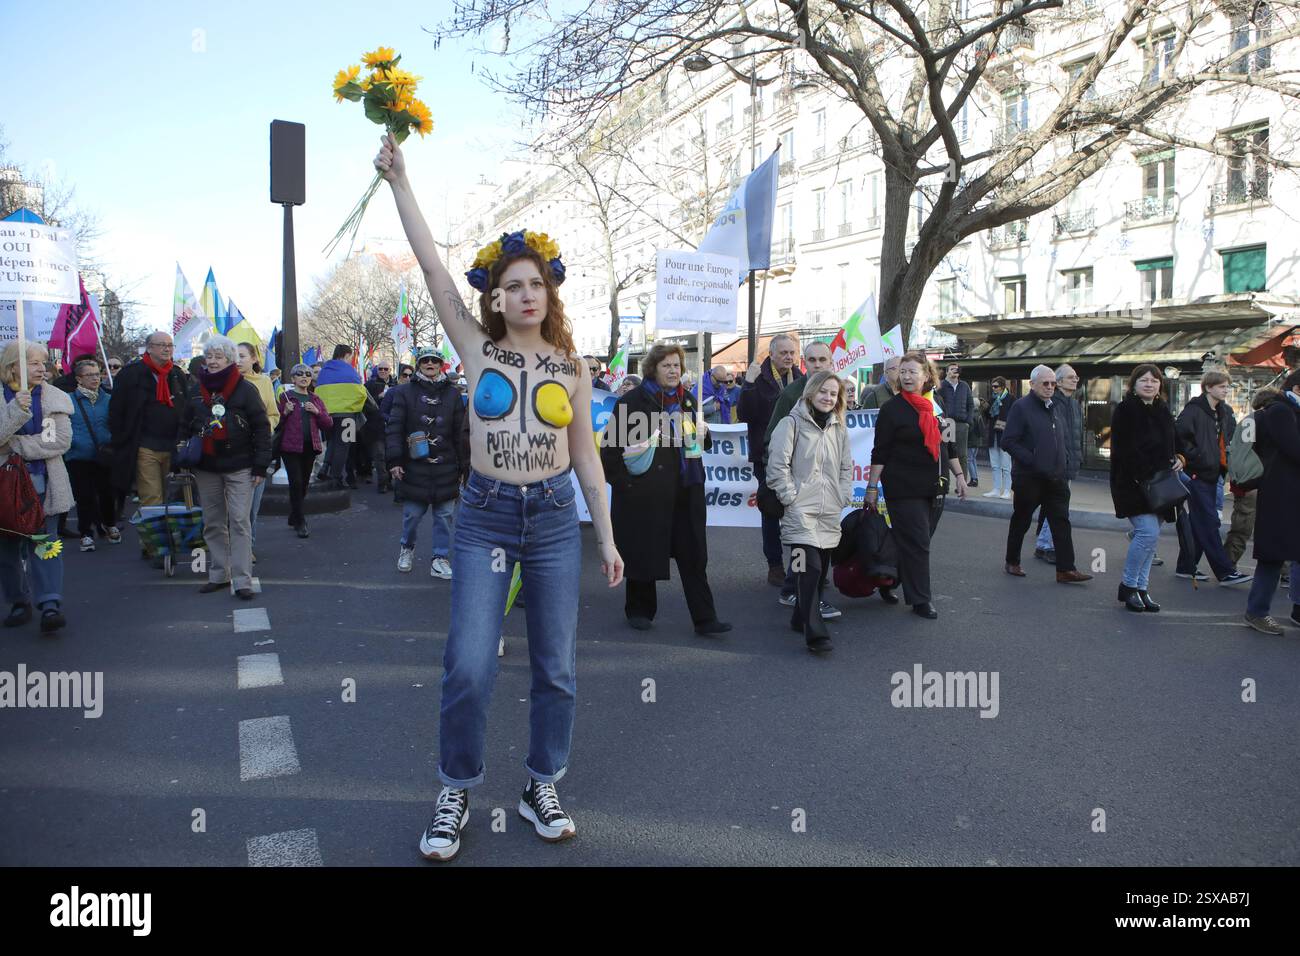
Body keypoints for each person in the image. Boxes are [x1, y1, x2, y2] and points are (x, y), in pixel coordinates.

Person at [378, 131, 623, 862]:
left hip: (550, 522)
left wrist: (606, 538)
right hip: (483, 517)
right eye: (511, 284)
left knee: (556, 665)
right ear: (496, 296)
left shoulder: (573, 368)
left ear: (549, 293)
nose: (524, 293)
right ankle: (456, 787)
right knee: (471, 664)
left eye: (535, 284)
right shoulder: (475, 347)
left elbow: (587, 460)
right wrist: (400, 183)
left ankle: (540, 783)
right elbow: (430, 267)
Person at [601, 342, 731, 636]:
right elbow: (609, 452)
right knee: (643, 551)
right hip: (645, 496)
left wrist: (704, 433)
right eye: (666, 365)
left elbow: (697, 443)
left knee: (695, 554)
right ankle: (639, 610)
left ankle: (705, 618)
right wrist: (628, 485)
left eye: (677, 365)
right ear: (652, 369)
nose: (673, 370)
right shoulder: (632, 402)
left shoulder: (687, 401)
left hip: (688, 489)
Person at [867, 352, 967, 619]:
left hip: (936, 485)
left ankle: (887, 578)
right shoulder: (892, 409)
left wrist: (959, 475)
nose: (907, 376)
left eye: (913, 372)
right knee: (918, 542)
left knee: (912, 542)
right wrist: (872, 488)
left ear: (926, 376)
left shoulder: (938, 405)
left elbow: (949, 444)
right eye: (903, 372)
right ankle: (921, 600)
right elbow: (880, 452)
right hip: (903, 487)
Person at [766, 371, 853, 651]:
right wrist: (792, 498)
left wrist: (842, 495)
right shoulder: (790, 424)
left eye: (833, 393)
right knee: (808, 568)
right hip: (799, 512)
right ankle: (815, 632)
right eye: (823, 392)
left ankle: (798, 616)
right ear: (811, 393)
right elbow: (777, 467)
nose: (828, 398)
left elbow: (846, 467)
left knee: (819, 570)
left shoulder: (839, 427)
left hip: (828, 512)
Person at [180, 336, 271, 600]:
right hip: (206, 466)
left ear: (229, 360)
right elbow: (185, 425)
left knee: (240, 522)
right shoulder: (196, 391)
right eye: (209, 356)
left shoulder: (245, 390)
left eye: (219, 357)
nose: (213, 361)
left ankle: (243, 580)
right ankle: (220, 574)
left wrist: (260, 466)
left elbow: (261, 428)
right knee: (213, 522)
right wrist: (182, 452)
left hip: (239, 465)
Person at [764, 340, 840, 619]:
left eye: (823, 360)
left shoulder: (836, 392)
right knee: (802, 545)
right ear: (803, 363)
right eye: (812, 360)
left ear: (831, 363)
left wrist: (841, 488)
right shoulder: (791, 394)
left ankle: (794, 588)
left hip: (826, 489)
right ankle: (799, 594)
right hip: (798, 487)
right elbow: (773, 439)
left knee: (819, 545)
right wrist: (785, 490)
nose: (817, 365)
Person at [0, 341, 72, 633]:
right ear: (12, 366)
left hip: (42, 481)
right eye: (33, 363)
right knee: (6, 546)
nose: (42, 368)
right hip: (4, 483)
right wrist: (17, 410)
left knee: (45, 543)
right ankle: (19, 600)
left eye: (43, 362)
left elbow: (58, 442)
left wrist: (15, 444)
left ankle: (50, 602)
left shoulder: (55, 398)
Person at [1001, 365, 1092, 584]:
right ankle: (1012, 561)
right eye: (1046, 383)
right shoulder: (1021, 407)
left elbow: (1061, 438)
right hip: (1029, 478)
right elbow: (1008, 441)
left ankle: (1066, 569)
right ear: (1032, 384)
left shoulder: (1055, 407)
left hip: (1056, 478)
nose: (1050, 387)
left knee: (1061, 522)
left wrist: (1065, 462)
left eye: (1053, 383)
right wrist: (1033, 460)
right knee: (1021, 521)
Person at [387, 348, 466, 579]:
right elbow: (394, 428)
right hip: (414, 465)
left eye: (434, 360)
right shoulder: (403, 392)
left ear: (441, 364)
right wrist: (394, 460)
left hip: (446, 465)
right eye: (425, 360)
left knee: (444, 517)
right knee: (412, 515)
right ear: (419, 364)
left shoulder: (453, 395)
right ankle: (407, 549)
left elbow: (460, 434)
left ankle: (439, 559)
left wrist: (464, 467)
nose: (430, 363)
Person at [1108, 365, 1181, 613]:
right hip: (1133, 483)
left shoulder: (1163, 410)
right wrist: (1147, 473)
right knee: (1147, 533)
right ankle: (1128, 586)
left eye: (1154, 380)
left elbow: (1175, 441)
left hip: (1161, 485)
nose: (1149, 384)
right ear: (1134, 384)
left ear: (1160, 385)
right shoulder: (1125, 409)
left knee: (1152, 538)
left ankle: (1142, 588)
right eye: (1144, 380)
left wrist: (1181, 457)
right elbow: (1125, 450)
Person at [1173, 371, 1251, 586]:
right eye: (1221, 386)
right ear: (1208, 387)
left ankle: (1186, 566)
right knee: (1208, 521)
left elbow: (1232, 438)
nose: (1226, 390)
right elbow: (1179, 436)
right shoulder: (1194, 410)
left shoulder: (1225, 411)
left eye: (1227, 386)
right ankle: (1225, 571)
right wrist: (1196, 457)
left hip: (1216, 473)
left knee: (1202, 521)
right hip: (1196, 474)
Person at [738, 333, 803, 587]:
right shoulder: (758, 377)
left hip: (798, 456)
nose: (788, 357)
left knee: (800, 515)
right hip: (767, 457)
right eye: (783, 353)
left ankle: (799, 567)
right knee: (771, 511)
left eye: (791, 353)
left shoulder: (801, 379)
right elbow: (744, 413)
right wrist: (749, 384)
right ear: (772, 354)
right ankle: (775, 566)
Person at [107, 331, 188, 519]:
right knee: (152, 498)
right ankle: (154, 545)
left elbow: (185, 407)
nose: (167, 349)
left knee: (176, 498)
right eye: (162, 345)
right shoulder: (131, 374)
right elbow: (116, 411)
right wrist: (122, 439)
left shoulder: (176, 374)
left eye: (170, 345)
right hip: (145, 446)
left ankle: (173, 541)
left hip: (173, 446)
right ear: (149, 348)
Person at [1243, 370, 1300, 633]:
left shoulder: (1287, 410)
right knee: (1272, 556)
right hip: (1281, 493)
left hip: (1290, 492)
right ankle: (1257, 612)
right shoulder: (1280, 411)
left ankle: (1297, 608)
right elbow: (1294, 448)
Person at [64, 358, 121, 551]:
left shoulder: (108, 398)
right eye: (90, 375)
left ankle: (109, 523)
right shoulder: (69, 400)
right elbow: (63, 427)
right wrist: (73, 444)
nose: (95, 378)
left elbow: (115, 423)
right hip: (78, 456)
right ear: (79, 379)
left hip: (104, 454)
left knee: (107, 492)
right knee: (85, 496)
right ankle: (86, 533)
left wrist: (113, 442)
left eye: (97, 374)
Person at [276, 364, 332, 538]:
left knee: (304, 484)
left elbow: (328, 423)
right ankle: (300, 521)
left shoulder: (315, 399)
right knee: (296, 483)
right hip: (290, 447)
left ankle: (294, 514)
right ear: (293, 379)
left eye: (307, 374)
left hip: (310, 447)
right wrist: (284, 412)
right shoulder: (286, 397)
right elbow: (275, 422)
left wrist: (316, 412)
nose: (304, 377)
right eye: (299, 374)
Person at [1033, 364, 1082, 563]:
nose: (1075, 380)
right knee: (1058, 507)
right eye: (1071, 377)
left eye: (1076, 377)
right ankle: (1047, 545)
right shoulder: (1053, 404)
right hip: (1058, 464)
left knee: (1057, 506)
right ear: (1059, 382)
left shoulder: (1074, 404)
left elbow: (1075, 436)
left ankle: (1044, 544)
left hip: (1070, 463)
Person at [237, 342, 280, 558]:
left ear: (254, 359)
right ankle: (231, 546)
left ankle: (248, 547)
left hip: (258, 449)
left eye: (242, 355)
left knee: (252, 505)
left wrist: (263, 429)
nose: (237, 360)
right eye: (234, 355)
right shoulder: (227, 382)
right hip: (233, 451)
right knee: (235, 507)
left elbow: (273, 414)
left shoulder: (264, 382)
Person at [1224, 388, 1275, 565]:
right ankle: (1282, 571)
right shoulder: (1272, 419)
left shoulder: (1247, 421)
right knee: (1275, 528)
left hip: (1246, 482)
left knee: (1240, 528)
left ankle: (1228, 565)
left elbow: (1239, 450)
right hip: (1265, 479)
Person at [315, 345, 368, 489]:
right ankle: (336, 478)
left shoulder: (324, 371)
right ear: (346, 355)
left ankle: (325, 467)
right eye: (350, 357)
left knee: (332, 442)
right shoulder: (350, 371)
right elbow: (361, 394)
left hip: (328, 416)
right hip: (348, 416)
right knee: (344, 447)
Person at [936, 363, 974, 492]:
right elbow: (936, 402)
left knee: (962, 455)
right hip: (946, 422)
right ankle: (945, 483)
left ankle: (961, 484)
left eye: (957, 369)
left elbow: (970, 404)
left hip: (962, 424)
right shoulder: (941, 385)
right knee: (946, 453)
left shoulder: (964, 386)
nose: (955, 371)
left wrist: (968, 421)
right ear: (947, 371)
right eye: (952, 369)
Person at [983, 376, 1014, 498]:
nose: (993, 389)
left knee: (1006, 466)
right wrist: (985, 408)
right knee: (995, 465)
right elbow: (988, 417)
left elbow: (1013, 417)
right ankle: (996, 489)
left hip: (1005, 436)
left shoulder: (1011, 399)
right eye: (992, 387)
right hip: (993, 435)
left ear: (1002, 387)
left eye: (995, 386)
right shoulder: (992, 399)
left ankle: (1007, 490)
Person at [364, 363, 393, 493]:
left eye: (385, 369)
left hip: (392, 426)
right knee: (379, 455)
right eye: (380, 369)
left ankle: (390, 481)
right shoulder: (369, 385)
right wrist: (379, 397)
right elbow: (364, 405)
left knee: (391, 456)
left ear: (390, 370)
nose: (382, 371)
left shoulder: (396, 384)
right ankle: (383, 482)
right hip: (375, 426)